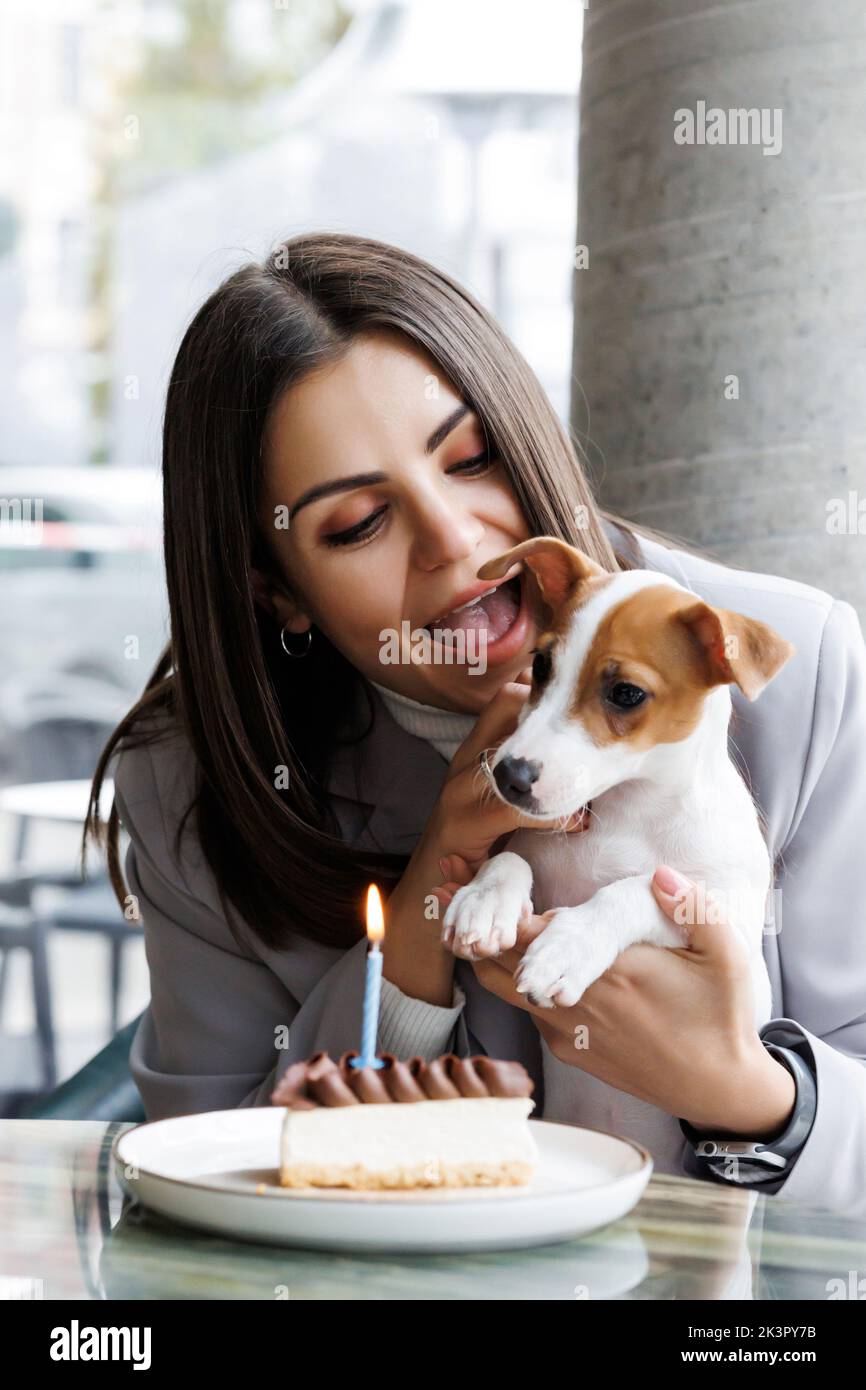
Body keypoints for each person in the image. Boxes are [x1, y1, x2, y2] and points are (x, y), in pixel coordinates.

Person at [85, 232, 866, 1212]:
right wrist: (423, 913)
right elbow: (198, 1172)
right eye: (357, 523)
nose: (452, 540)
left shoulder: (783, 671)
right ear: (276, 591)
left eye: (472, 458)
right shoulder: (192, 783)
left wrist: (744, 1093)